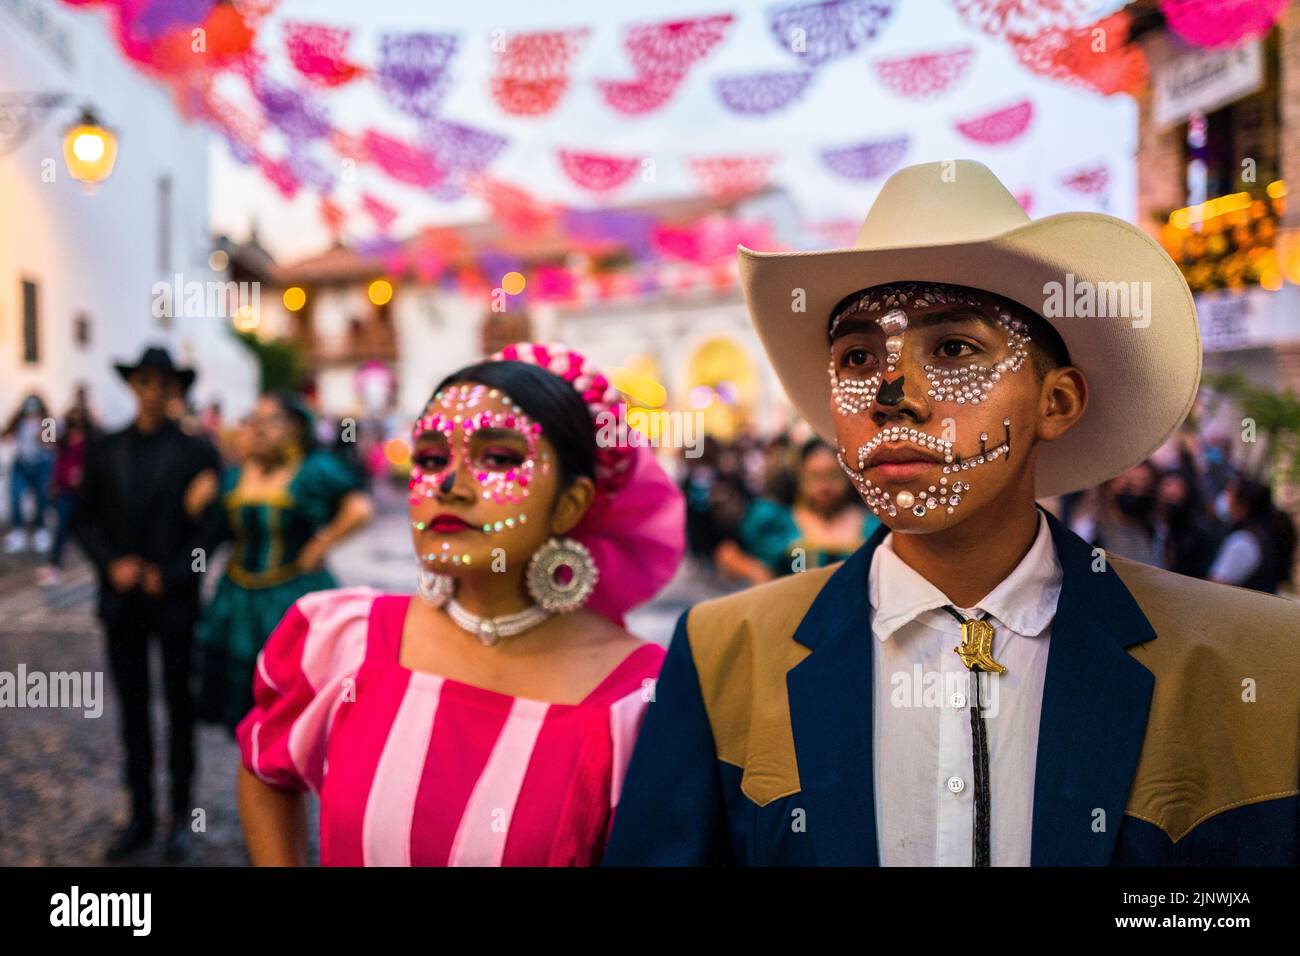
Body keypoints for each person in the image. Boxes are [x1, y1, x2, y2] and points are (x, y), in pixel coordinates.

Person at [605, 160, 1300, 866]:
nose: (891, 393)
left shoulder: (1250, 660)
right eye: (855, 358)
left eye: (954, 349)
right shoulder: (727, 654)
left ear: (1056, 403)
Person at [235, 343, 685, 866]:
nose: (450, 484)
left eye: (498, 458)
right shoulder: (346, 643)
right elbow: (264, 768)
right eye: (430, 458)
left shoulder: (638, 702)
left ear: (570, 504)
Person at [71, 346, 221, 863]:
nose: (154, 391)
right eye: (146, 381)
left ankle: (180, 819)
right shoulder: (104, 447)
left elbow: (213, 530)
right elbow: (83, 519)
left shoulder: (197, 451)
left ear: (175, 390)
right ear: (133, 386)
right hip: (122, 602)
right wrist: (111, 563)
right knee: (133, 713)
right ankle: (140, 815)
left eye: (164, 383)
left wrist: (173, 573)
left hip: (175, 603)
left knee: (178, 709)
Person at [194, 393, 374, 734]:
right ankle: (254, 762)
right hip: (237, 598)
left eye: (271, 422)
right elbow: (213, 530)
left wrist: (322, 542)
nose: (260, 430)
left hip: (292, 594)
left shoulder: (312, 471)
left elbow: (360, 509)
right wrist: (196, 505)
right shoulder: (235, 475)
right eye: (254, 421)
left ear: (294, 429)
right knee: (244, 700)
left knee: (294, 696)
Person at [738, 437, 878, 576]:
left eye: (833, 476)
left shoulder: (872, 527)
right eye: (814, 477)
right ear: (799, 477)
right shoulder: (778, 524)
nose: (824, 487)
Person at [37, 403, 96, 588]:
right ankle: (54, 565)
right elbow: (48, 445)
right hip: (64, 491)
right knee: (61, 529)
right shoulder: (64, 440)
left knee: (83, 531)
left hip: (80, 493)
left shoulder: (91, 443)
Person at [1208, 476, 1296, 594]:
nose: (1225, 499)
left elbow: (1213, 589)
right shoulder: (1264, 537)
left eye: (1229, 494)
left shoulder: (1242, 542)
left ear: (1242, 506)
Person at [3, 393, 55, 555]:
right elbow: (5, 435)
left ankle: (41, 530)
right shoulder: (19, 421)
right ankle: (18, 531)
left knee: (41, 498)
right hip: (21, 464)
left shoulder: (47, 421)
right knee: (15, 496)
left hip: (41, 464)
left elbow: (50, 444)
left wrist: (41, 436)